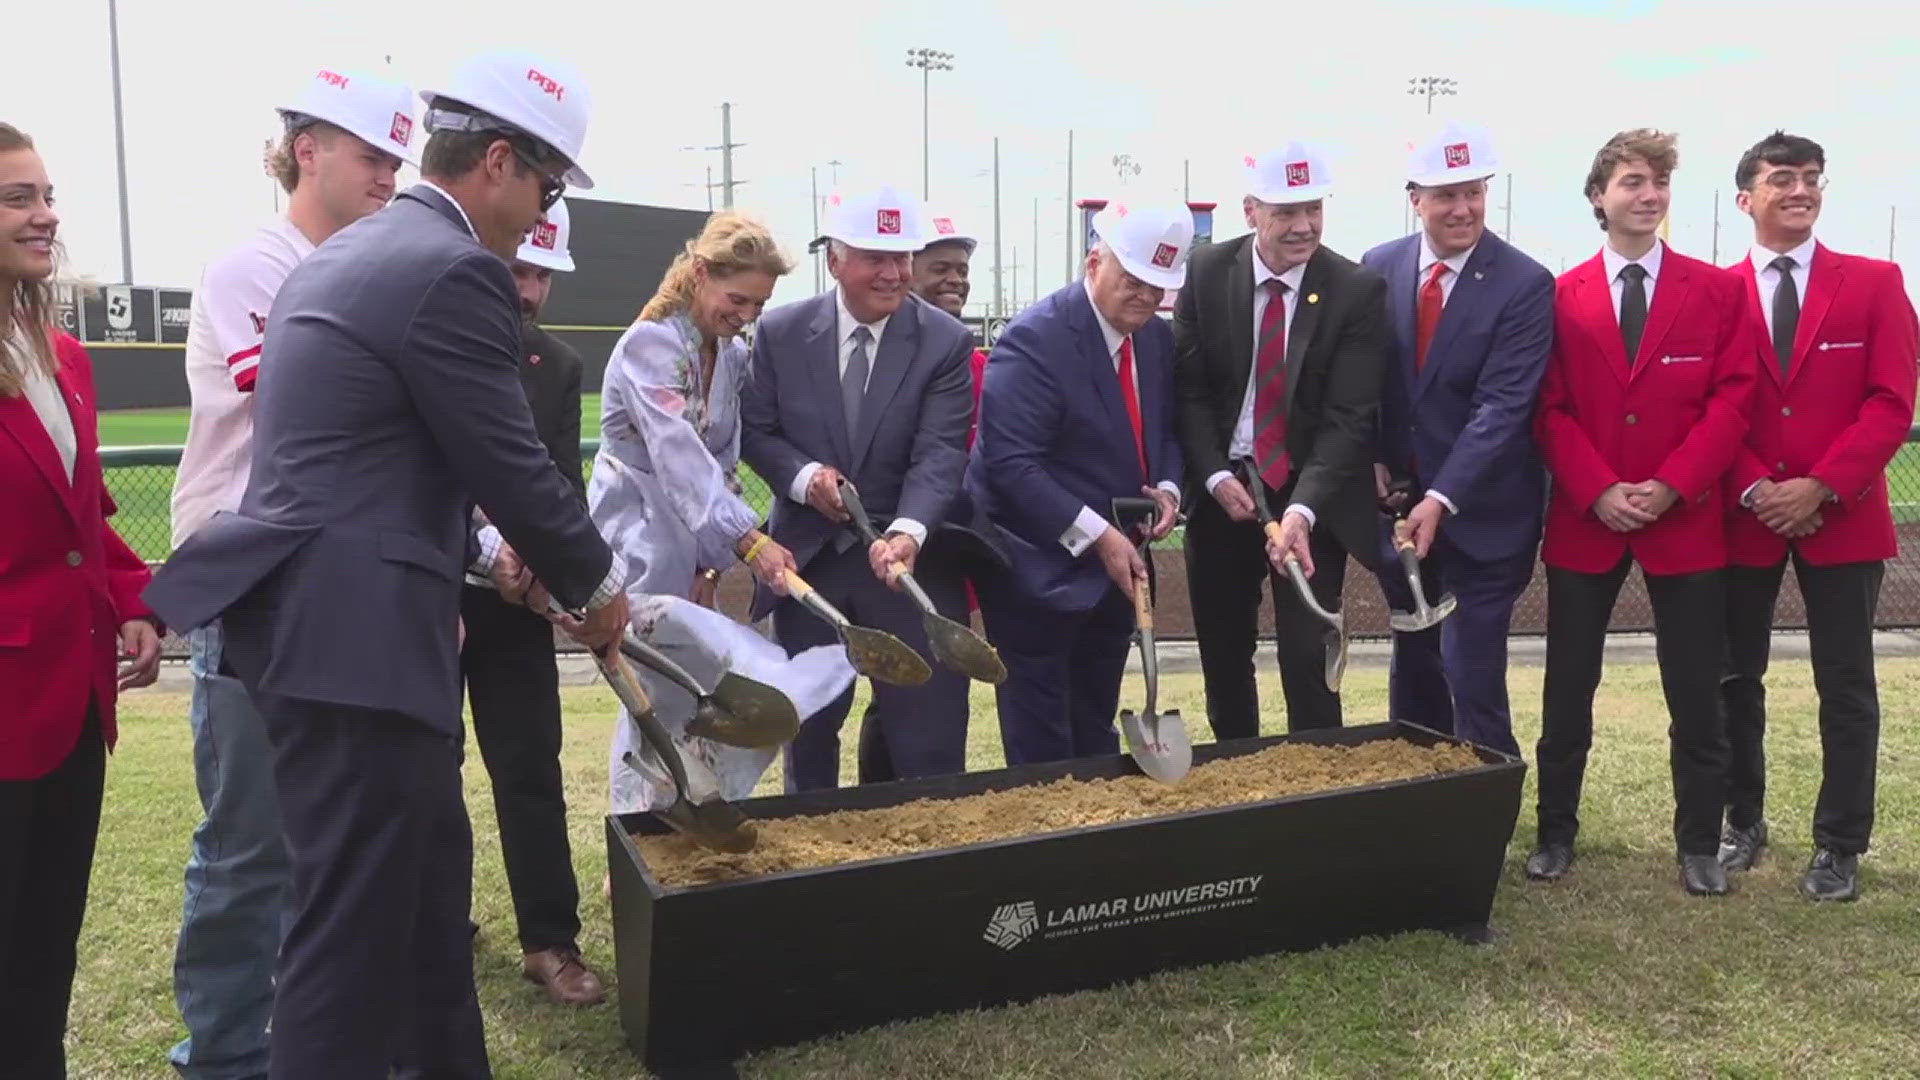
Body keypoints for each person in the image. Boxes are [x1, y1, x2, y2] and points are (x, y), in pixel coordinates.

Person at [144, 51, 626, 1077]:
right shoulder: (449, 267)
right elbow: (513, 463)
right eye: (546, 189)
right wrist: (601, 588)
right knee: (353, 933)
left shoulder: (358, 253)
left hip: (338, 630)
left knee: (416, 903)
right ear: (499, 162)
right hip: (355, 640)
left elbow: (385, 461)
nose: (540, 215)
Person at [166, 65, 417, 1078]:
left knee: (336, 841)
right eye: (371, 154)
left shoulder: (366, 268)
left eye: (398, 157)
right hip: (252, 583)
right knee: (249, 844)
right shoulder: (254, 266)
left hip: (336, 587)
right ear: (305, 148)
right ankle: (224, 1055)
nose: (388, 177)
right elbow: (325, 405)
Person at [1529, 129, 1756, 897]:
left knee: (1697, 692)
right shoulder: (1560, 297)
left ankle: (1698, 842)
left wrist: (1671, 486)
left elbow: (1733, 402)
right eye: (1631, 181)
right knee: (1568, 691)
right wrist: (1597, 488)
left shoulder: (1718, 292)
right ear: (1599, 196)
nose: (1648, 194)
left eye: (1658, 182)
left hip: (1685, 522)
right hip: (1586, 522)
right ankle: (1555, 833)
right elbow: (1550, 409)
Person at [593, 210, 865, 811]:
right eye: (737, 298)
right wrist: (749, 543)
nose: (745, 315)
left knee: (691, 692)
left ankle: (683, 813)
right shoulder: (649, 347)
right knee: (650, 689)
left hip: (694, 541)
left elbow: (724, 463)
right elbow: (680, 459)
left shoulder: (730, 355)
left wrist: (713, 565)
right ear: (699, 275)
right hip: (637, 532)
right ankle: (636, 832)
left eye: (759, 305)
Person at [1717, 131, 1919, 901]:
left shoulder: (1874, 282)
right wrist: (1758, 488)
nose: (1800, 190)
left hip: (1843, 516)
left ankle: (1839, 843)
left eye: (1811, 178)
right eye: (1781, 179)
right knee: (1736, 677)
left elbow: (1891, 401)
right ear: (1747, 198)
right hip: (1747, 514)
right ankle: (1743, 822)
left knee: (1847, 683)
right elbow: (1712, 406)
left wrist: (1820, 486)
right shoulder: (1716, 291)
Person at [0, 121, 161, 1078]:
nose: (46, 213)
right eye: (19, 197)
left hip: (71, 705)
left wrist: (134, 595)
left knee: (44, 950)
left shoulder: (63, 355)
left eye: (47, 194)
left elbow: (82, 516)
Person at [741, 185, 976, 791]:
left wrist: (907, 531)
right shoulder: (780, 333)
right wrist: (802, 478)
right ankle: (817, 874)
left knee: (928, 744)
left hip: (904, 566)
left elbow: (940, 452)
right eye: (876, 257)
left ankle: (928, 871)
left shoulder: (945, 342)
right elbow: (758, 431)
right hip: (810, 566)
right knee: (809, 737)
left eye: (903, 258)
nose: (894, 273)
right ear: (836, 260)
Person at [1173, 143, 1390, 738]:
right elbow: (1189, 391)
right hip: (1224, 489)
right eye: (1285, 212)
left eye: (1313, 208)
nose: (1303, 226)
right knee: (1223, 652)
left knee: (1307, 653)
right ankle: (1238, 781)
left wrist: (1301, 509)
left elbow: (1348, 417)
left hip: (1308, 497)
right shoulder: (1207, 272)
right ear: (1250, 212)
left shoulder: (1355, 290)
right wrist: (1214, 476)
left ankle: (1316, 793)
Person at [967, 202, 1190, 764]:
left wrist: (1166, 487)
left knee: (1095, 714)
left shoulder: (1155, 341)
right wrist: (1098, 536)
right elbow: (1012, 464)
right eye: (1134, 281)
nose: (1145, 297)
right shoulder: (1035, 341)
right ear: (1095, 263)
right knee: (1042, 735)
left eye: (1158, 286)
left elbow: (1163, 429)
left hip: (1117, 566)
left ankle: (1100, 827)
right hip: (1037, 566)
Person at [1360, 123, 1554, 756]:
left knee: (1470, 674)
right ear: (1415, 197)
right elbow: (1365, 381)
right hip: (1401, 520)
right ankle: (1417, 808)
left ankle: (1486, 811)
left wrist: (1440, 500)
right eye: (1446, 195)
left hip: (1482, 520)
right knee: (1413, 672)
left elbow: (1501, 408)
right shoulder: (1378, 268)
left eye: (1474, 192)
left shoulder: (1523, 284)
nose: (1463, 208)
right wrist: (1374, 459)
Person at [456, 196, 608, 1004]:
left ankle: (551, 941)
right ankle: (438, 921)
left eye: (542, 275)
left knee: (529, 769)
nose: (528, 289)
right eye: (518, 269)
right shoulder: (432, 335)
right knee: (426, 769)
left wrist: (544, 568)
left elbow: (560, 490)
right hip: (431, 595)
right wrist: (482, 548)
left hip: (514, 609)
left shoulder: (559, 365)